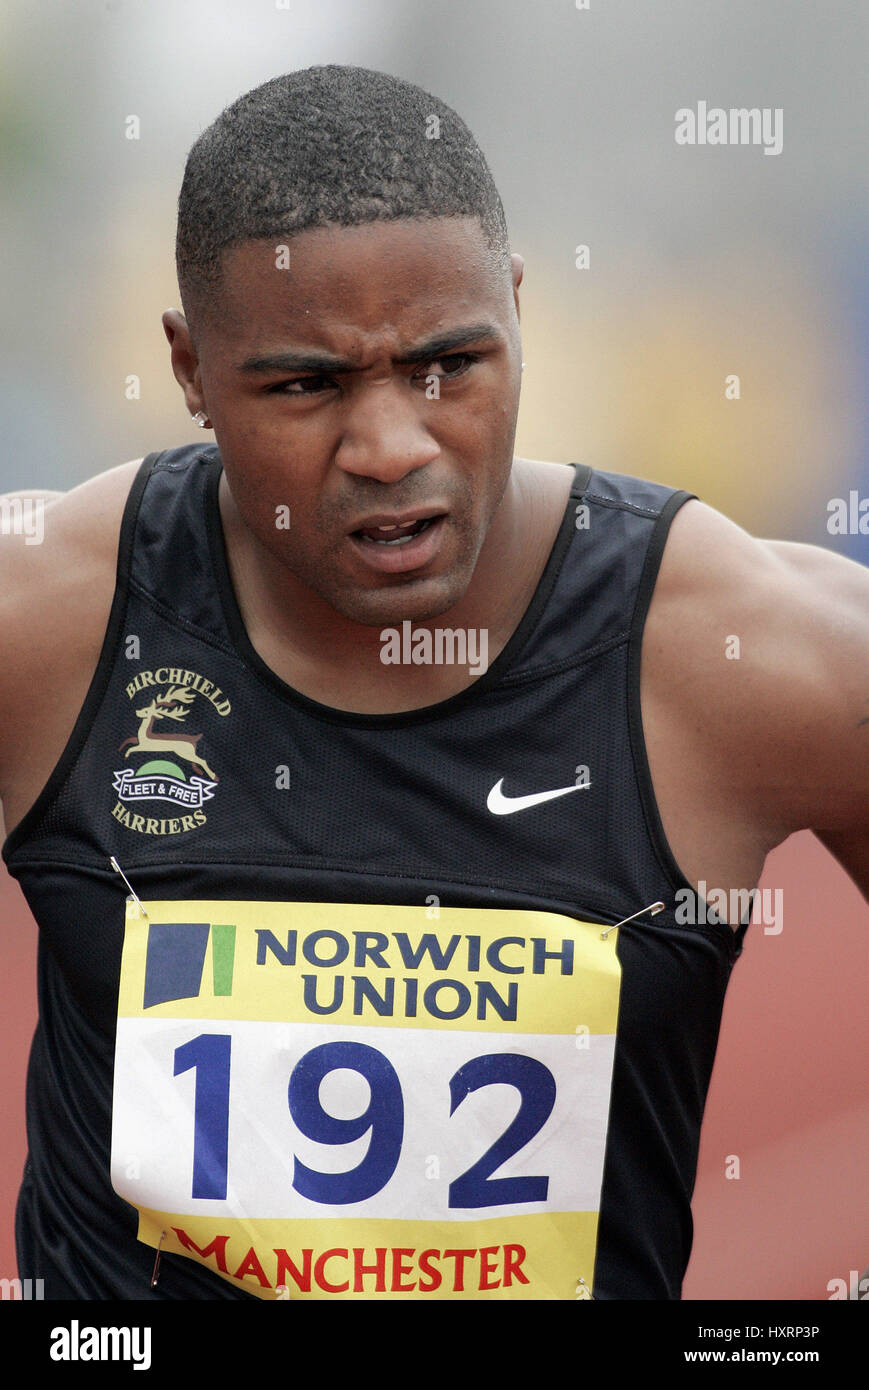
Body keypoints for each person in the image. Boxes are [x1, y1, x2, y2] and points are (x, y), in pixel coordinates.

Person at [0, 63, 866, 1303]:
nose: (392, 447)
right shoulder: (48, 622)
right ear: (190, 369)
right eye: (304, 383)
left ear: (516, 312)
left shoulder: (735, 653)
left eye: (448, 364)